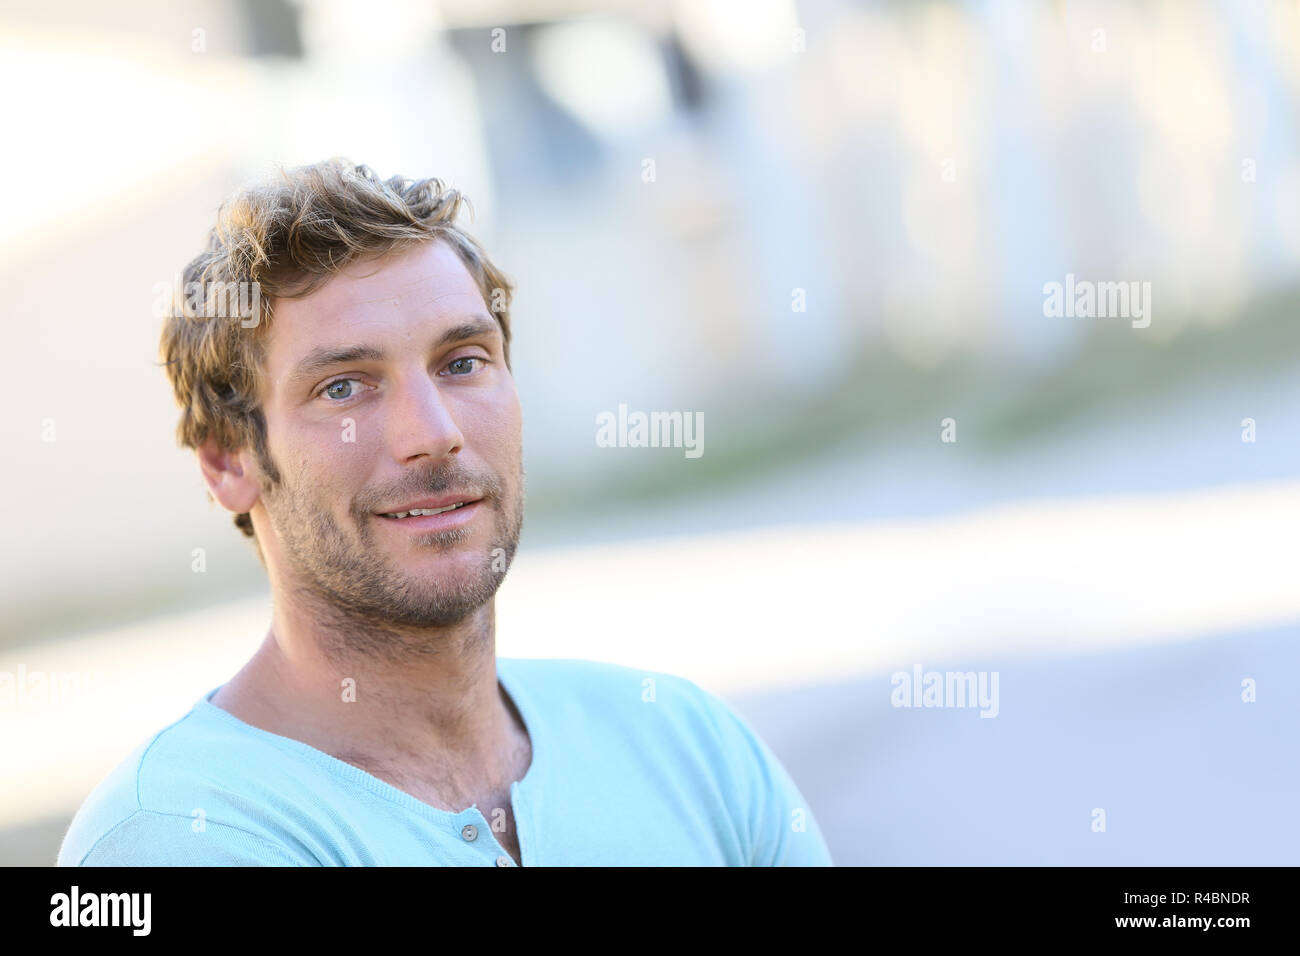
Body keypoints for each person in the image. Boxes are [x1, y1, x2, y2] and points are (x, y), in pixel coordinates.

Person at [56, 159, 833, 866]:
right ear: (229, 459)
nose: (434, 434)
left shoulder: (686, 743)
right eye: (344, 387)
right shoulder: (177, 835)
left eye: (462, 363)